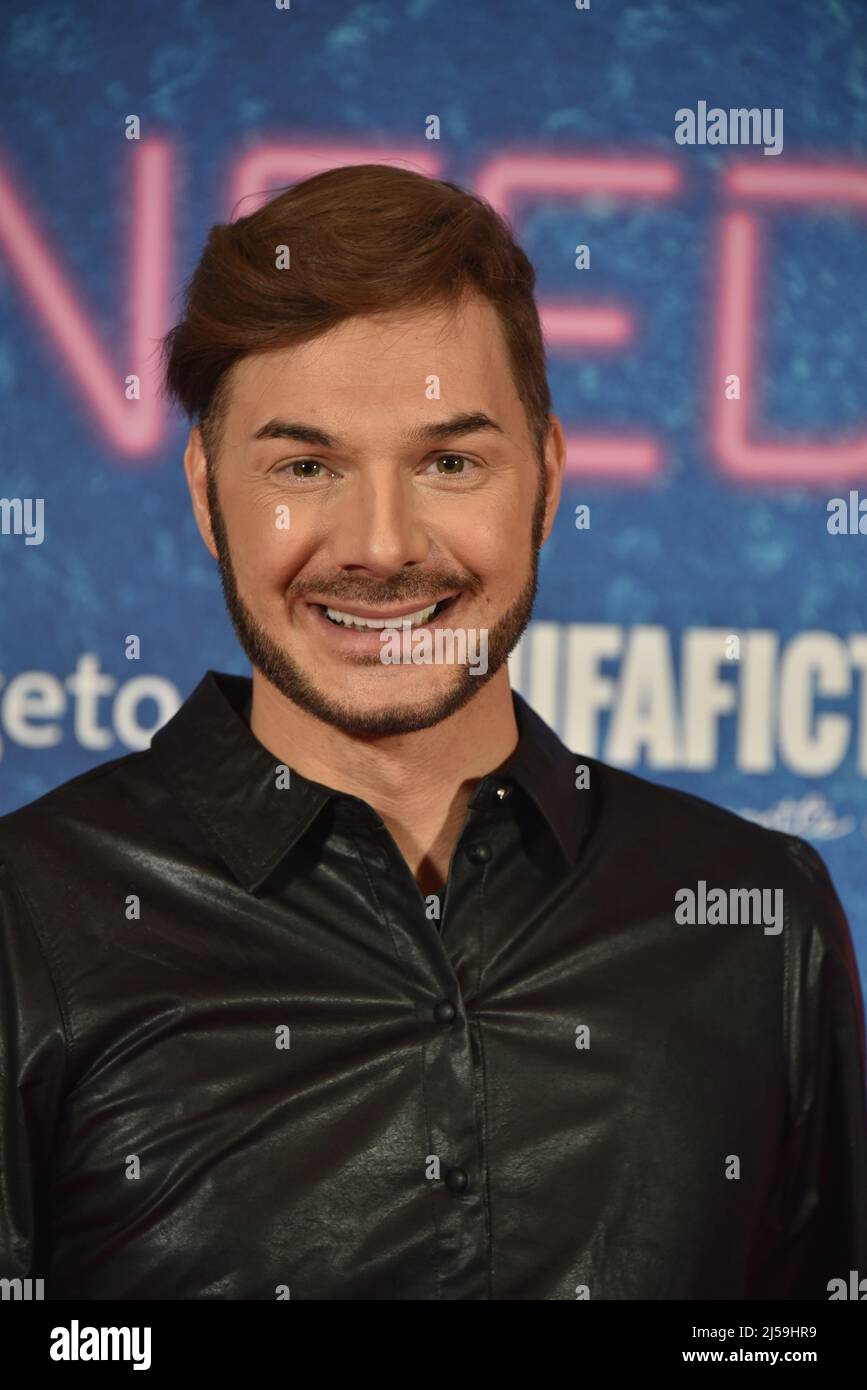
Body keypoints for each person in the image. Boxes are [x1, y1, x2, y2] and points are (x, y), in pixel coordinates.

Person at [1, 164, 864, 1300]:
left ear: (547, 478)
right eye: (305, 466)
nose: (381, 543)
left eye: (449, 461)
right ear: (207, 492)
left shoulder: (759, 914)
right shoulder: (26, 918)